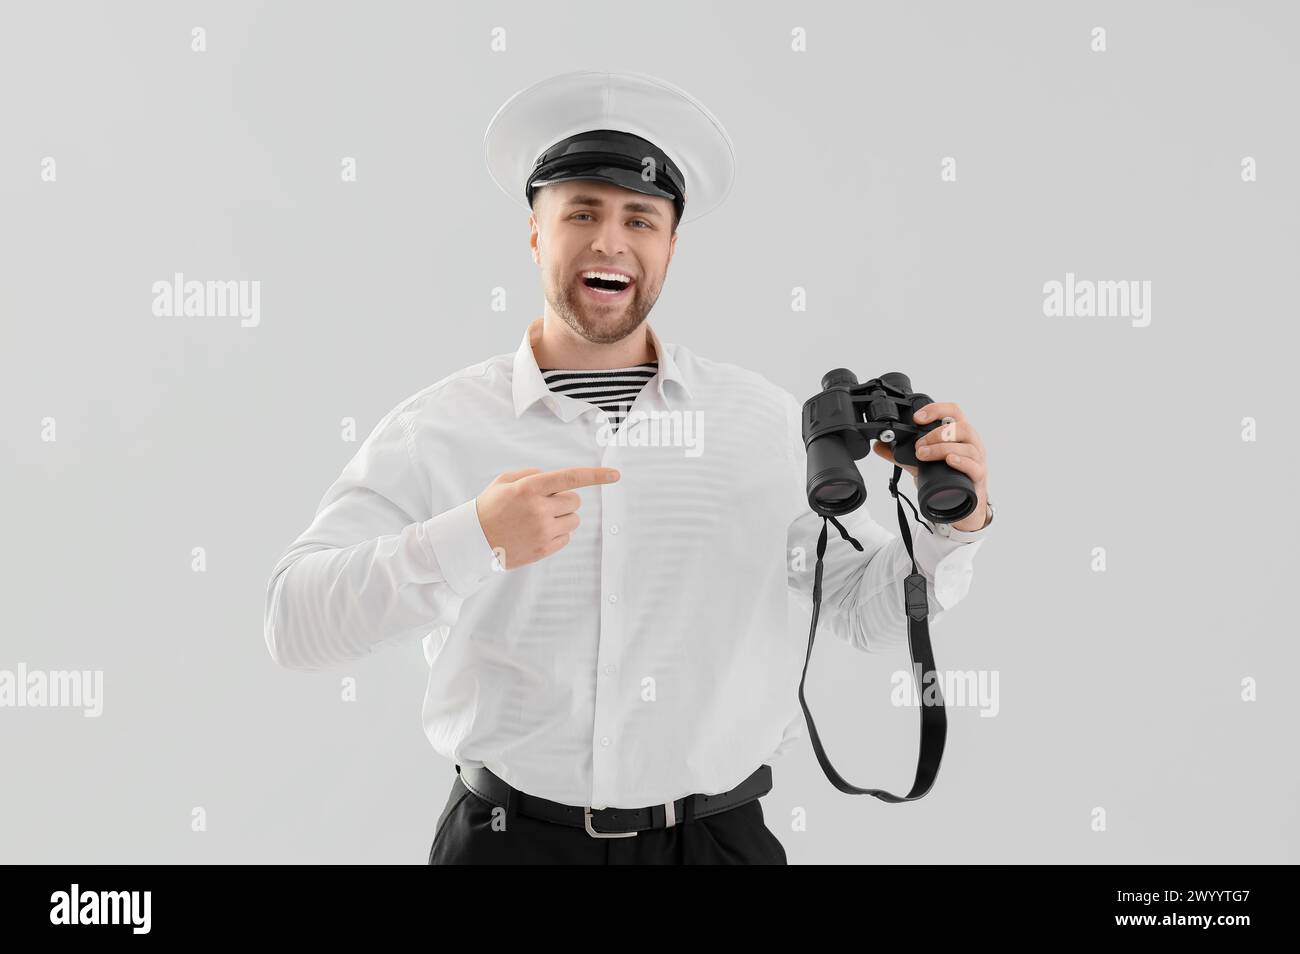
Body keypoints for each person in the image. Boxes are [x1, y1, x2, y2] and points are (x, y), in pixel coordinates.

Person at [263, 71, 995, 865]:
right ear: (536, 234)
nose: (610, 241)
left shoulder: (760, 422)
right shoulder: (437, 428)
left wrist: (951, 528)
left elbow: (855, 607)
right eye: (582, 212)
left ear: (670, 246)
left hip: (714, 843)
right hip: (506, 845)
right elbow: (294, 622)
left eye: (640, 219)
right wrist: (473, 539)